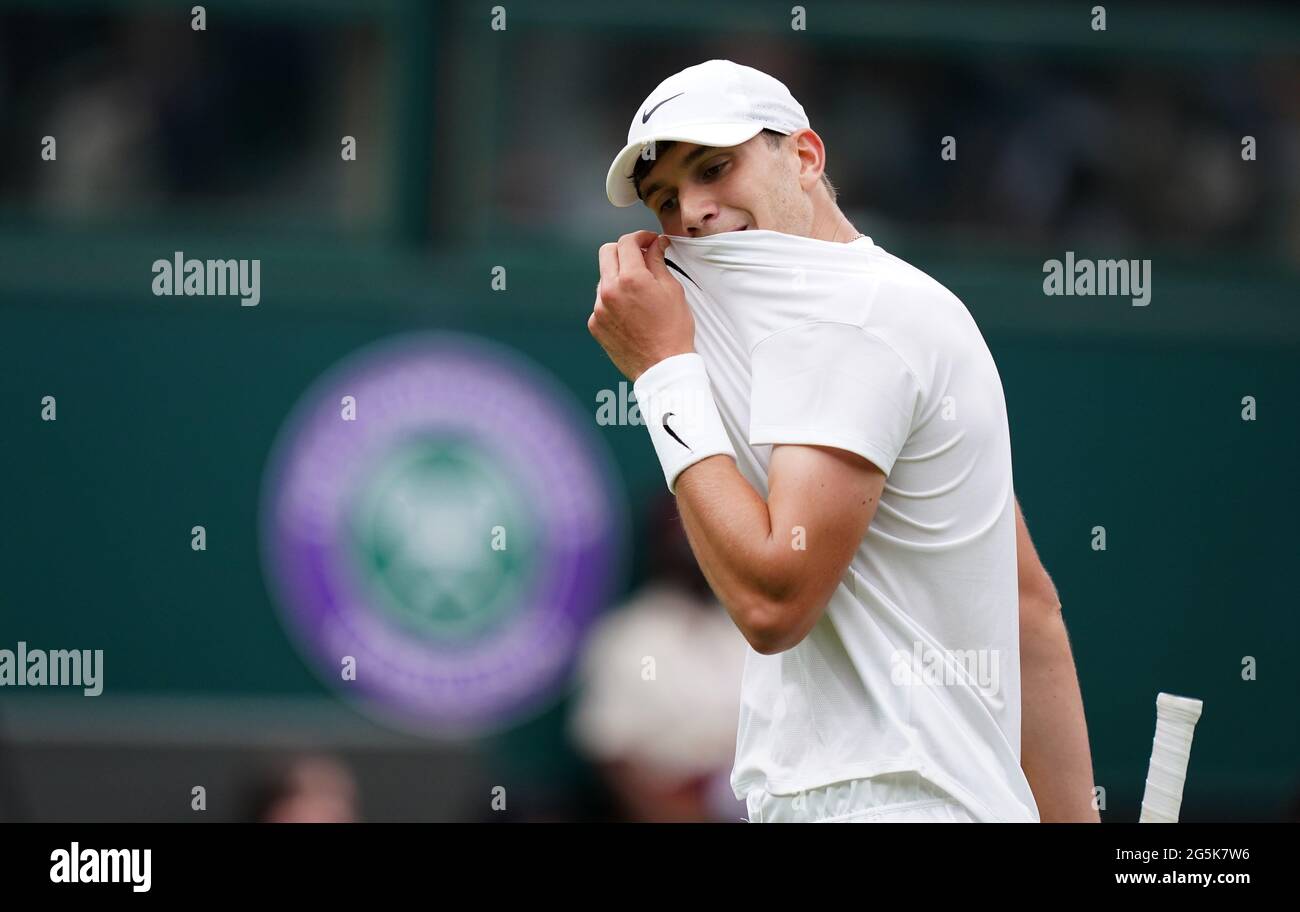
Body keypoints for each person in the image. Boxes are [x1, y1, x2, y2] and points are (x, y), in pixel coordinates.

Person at [588, 59, 1097, 822]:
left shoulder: (841, 322)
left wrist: (662, 373)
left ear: (804, 156)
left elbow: (772, 602)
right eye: (665, 199)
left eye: (715, 167)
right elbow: (1029, 610)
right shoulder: (895, 304)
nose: (690, 212)